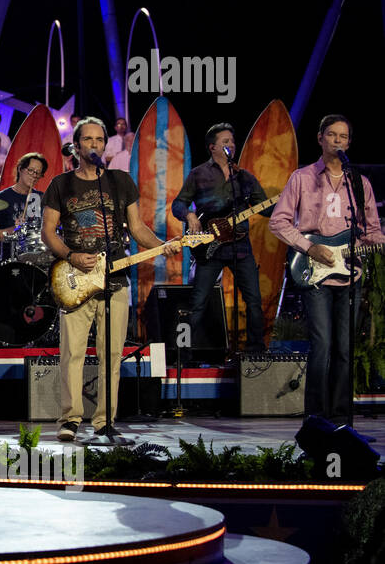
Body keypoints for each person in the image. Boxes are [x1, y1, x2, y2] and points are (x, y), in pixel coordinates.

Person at [42, 117, 181, 441]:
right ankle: (70, 419)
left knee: (111, 355)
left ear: (105, 145)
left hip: (115, 280)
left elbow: (136, 228)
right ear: (77, 147)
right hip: (76, 279)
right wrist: (71, 255)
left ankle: (105, 421)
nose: (94, 145)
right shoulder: (61, 185)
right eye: (87, 140)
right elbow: (48, 232)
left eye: (99, 140)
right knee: (72, 353)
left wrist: (163, 247)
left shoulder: (120, 181)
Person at [269, 114, 385, 425]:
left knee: (345, 348)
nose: (337, 141)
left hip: (350, 272)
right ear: (320, 138)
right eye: (331, 135)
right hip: (315, 272)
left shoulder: (359, 183)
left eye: (343, 137)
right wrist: (310, 247)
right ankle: (316, 418)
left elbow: (372, 230)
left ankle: (342, 418)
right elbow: (278, 222)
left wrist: (374, 241)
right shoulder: (302, 178)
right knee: (322, 345)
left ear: (349, 143)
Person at [171, 122, 274, 356]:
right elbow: (178, 203)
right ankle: (182, 354)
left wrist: (286, 202)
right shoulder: (198, 174)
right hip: (210, 247)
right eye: (225, 142)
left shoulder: (244, 178)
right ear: (212, 147)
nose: (231, 145)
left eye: (232, 141)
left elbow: (265, 208)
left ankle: (255, 351)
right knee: (198, 302)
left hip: (240, 247)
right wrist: (189, 215)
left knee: (254, 300)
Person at [0, 152, 47, 248]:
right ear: (20, 169)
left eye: (38, 173)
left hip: (36, 255)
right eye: (31, 170)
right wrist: (14, 230)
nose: (34, 175)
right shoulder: (1, 198)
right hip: (10, 256)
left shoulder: (41, 198)